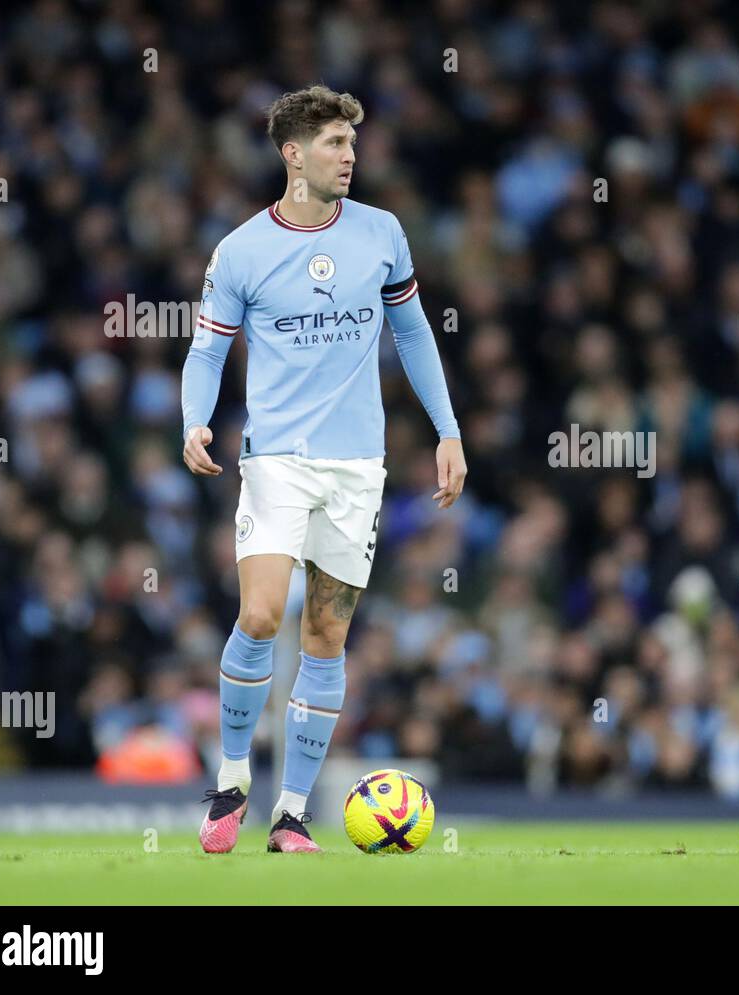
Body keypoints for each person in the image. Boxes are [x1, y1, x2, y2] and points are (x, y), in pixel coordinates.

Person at [180, 85, 466, 853]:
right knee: (262, 614)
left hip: (357, 466)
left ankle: (291, 813)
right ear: (292, 153)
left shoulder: (382, 233)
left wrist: (447, 429)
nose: (350, 156)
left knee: (328, 634)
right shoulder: (241, 249)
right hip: (276, 459)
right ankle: (234, 776)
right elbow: (207, 346)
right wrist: (194, 418)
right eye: (336, 144)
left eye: (352, 143)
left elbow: (412, 332)